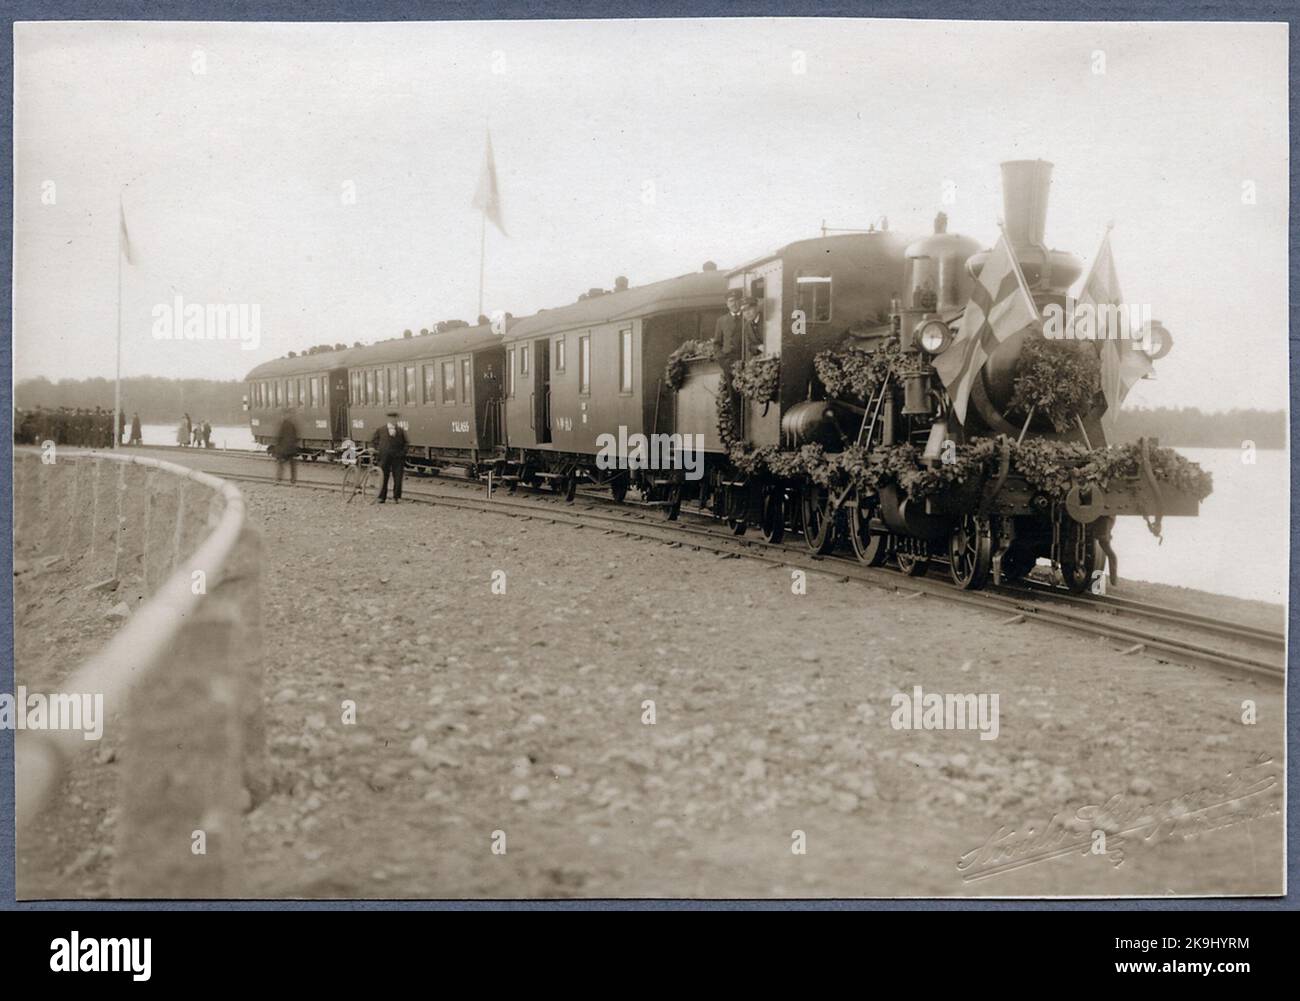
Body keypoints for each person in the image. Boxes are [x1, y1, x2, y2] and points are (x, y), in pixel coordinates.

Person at [370, 411, 408, 504]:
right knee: (383, 476)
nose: (393, 420)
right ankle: (382, 497)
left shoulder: (400, 430)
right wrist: (379, 451)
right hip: (384, 457)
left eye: (395, 419)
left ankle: (396, 497)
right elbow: (373, 441)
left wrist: (403, 453)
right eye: (391, 419)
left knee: (398, 477)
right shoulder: (381, 430)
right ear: (388, 420)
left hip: (398, 457)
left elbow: (406, 443)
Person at [273, 408, 299, 484]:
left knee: (281, 463)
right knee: (292, 464)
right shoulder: (292, 424)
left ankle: (278, 479)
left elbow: (279, 437)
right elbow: (296, 436)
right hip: (290, 448)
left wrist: (277, 446)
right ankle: (293, 479)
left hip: (284, 448)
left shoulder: (283, 424)